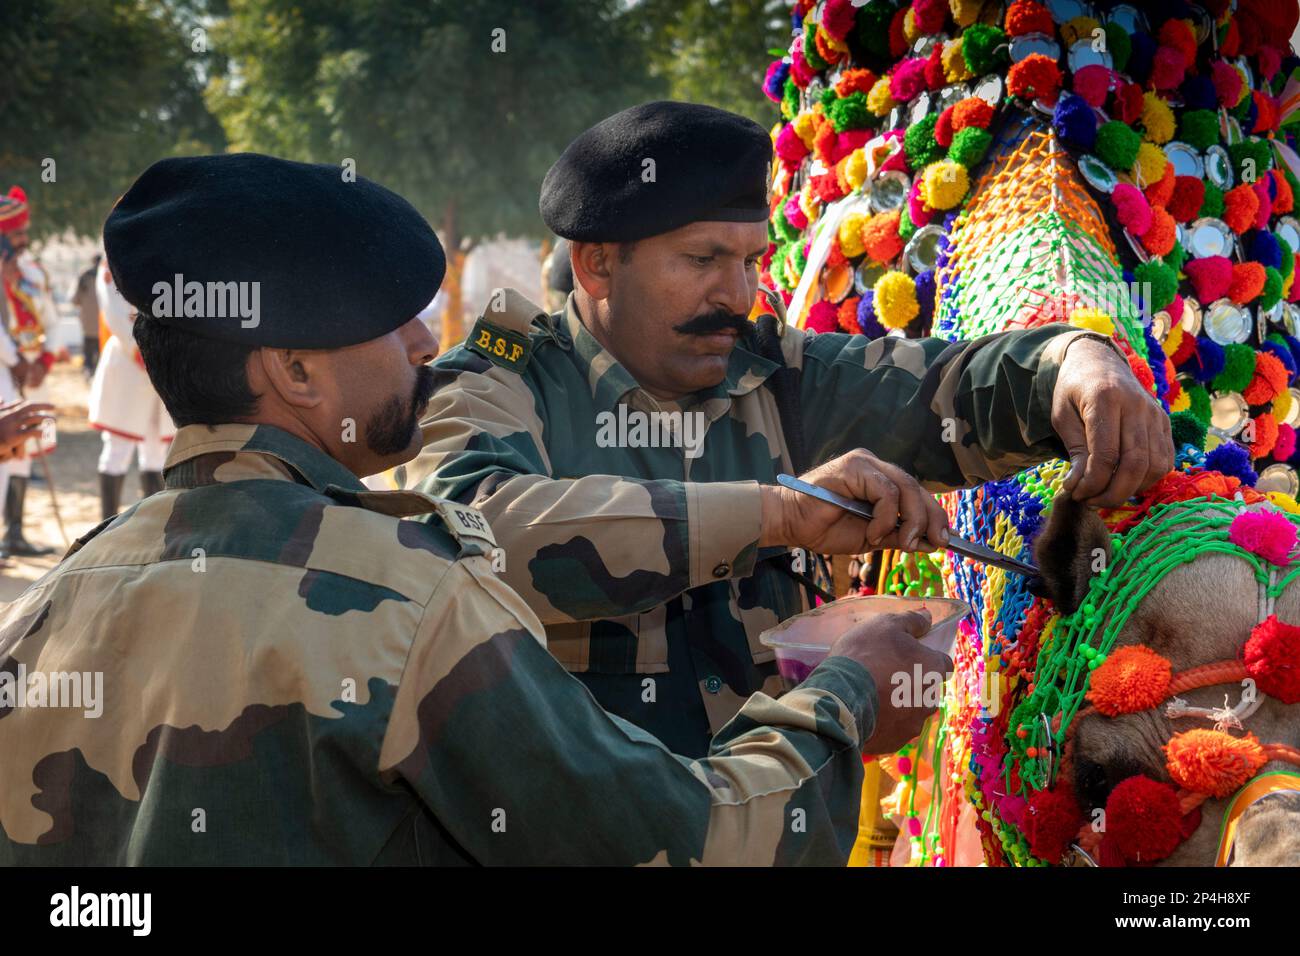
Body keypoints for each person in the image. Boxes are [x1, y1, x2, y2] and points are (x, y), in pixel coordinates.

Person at [0, 152, 947, 866]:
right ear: (292, 371)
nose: (426, 343)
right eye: (390, 322)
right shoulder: (403, 606)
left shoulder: (44, 611)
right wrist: (848, 694)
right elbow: (692, 842)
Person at [407, 101, 1175, 757]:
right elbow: (482, 537)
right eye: (703, 258)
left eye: (750, 261)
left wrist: (1075, 362)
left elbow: (948, 388)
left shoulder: (771, 373)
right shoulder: (497, 381)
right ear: (596, 265)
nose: (737, 295)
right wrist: (777, 514)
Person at [88, 259, 175, 518]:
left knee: (156, 450)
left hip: (160, 364)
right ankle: (107, 521)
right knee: (117, 448)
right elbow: (114, 313)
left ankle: (152, 523)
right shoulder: (114, 263)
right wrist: (140, 350)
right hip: (129, 366)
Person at [0, 185, 57, 558]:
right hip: (6, 369)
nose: (24, 239)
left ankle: (14, 534)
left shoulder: (34, 273)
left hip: (31, 370)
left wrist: (43, 363)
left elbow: (50, 320)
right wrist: (16, 362)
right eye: (17, 233)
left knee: (21, 448)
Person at [69, 254, 102, 379]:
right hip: (103, 323)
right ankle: (97, 373)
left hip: (87, 321)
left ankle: (88, 371)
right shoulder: (109, 275)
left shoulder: (84, 276)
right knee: (100, 350)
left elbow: (75, 299)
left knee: (88, 349)